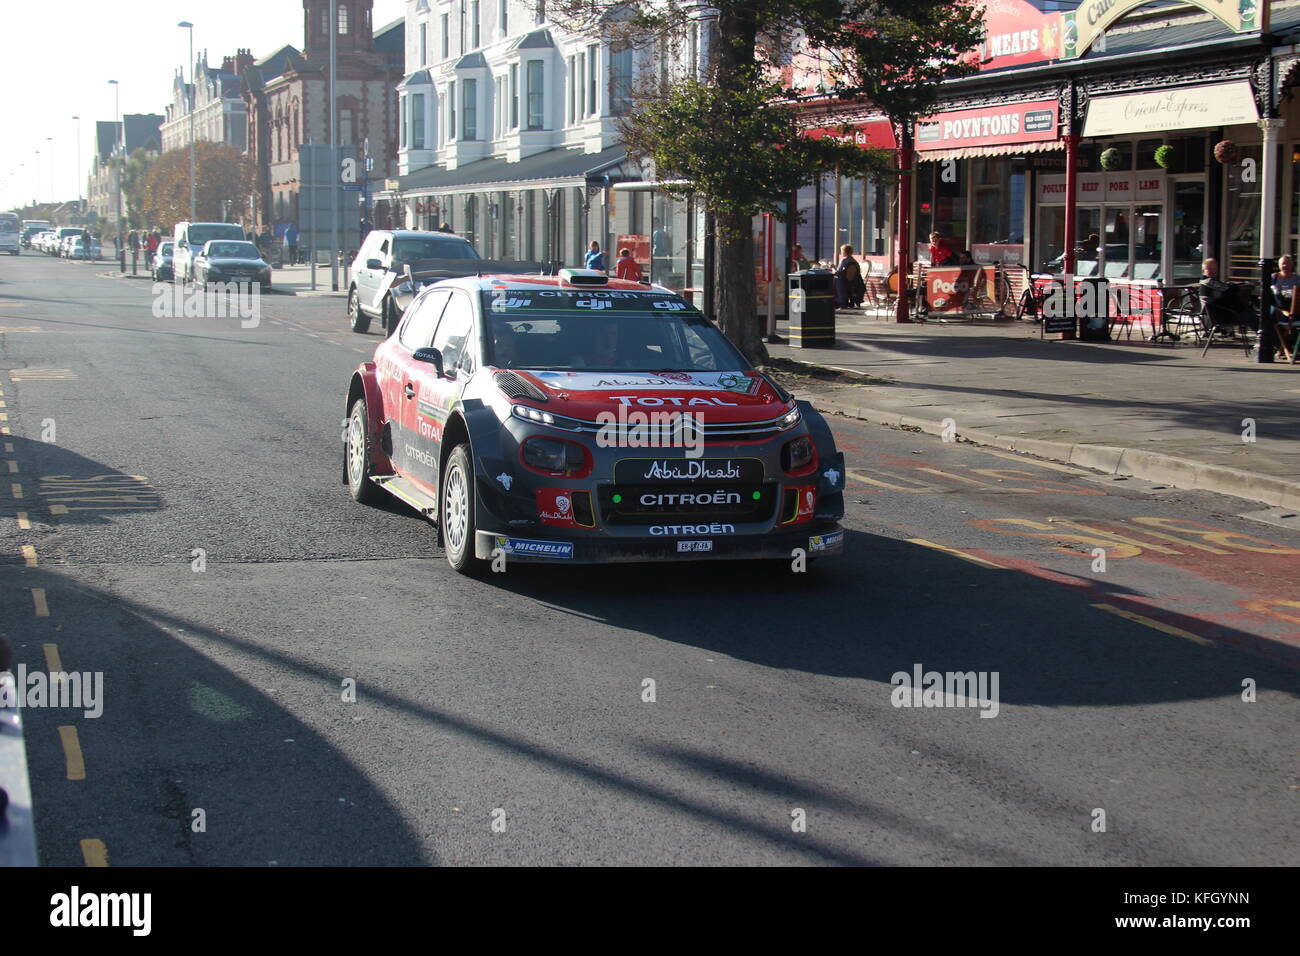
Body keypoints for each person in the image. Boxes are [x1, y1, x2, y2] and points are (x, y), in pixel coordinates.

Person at [1200, 257, 1256, 330]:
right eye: (1210, 269)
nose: (1213, 271)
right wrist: (1237, 286)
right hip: (1221, 316)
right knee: (1248, 314)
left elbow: (1226, 288)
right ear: (1203, 270)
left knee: (1245, 309)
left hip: (1220, 314)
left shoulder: (1206, 282)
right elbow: (1227, 288)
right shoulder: (1208, 282)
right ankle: (1263, 333)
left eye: (1215, 269)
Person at [834, 244, 865, 308]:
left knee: (834, 280)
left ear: (844, 252)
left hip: (844, 282)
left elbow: (838, 272)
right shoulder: (854, 261)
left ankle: (840, 300)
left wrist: (832, 268)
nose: (841, 252)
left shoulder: (844, 260)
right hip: (854, 282)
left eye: (841, 251)